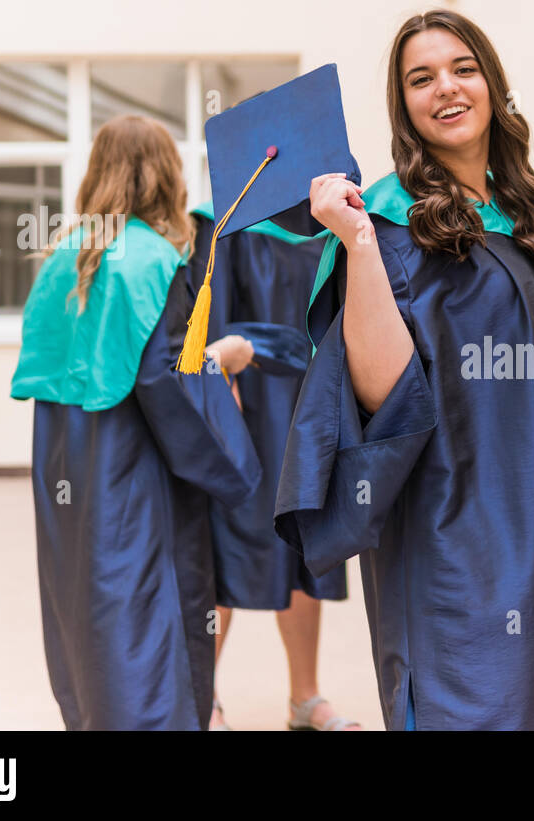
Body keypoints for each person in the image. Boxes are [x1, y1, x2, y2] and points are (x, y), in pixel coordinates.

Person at [273, 8, 534, 730]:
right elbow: (381, 395)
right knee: (481, 698)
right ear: (402, 106)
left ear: (493, 86)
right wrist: (357, 245)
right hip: (457, 523)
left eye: (463, 69)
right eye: (421, 78)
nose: (446, 87)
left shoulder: (527, 214)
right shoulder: (384, 222)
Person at [9, 115, 260, 730]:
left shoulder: (62, 259)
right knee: (151, 629)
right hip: (135, 480)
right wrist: (222, 373)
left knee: (91, 622)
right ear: (165, 175)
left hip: (69, 475)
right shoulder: (152, 258)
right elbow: (163, 384)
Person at [185, 204, 360, 731]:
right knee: (222, 548)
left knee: (305, 542)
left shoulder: (330, 227)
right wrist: (221, 400)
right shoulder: (219, 229)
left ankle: (304, 698)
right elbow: (208, 335)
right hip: (245, 412)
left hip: (311, 408)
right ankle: (203, 698)